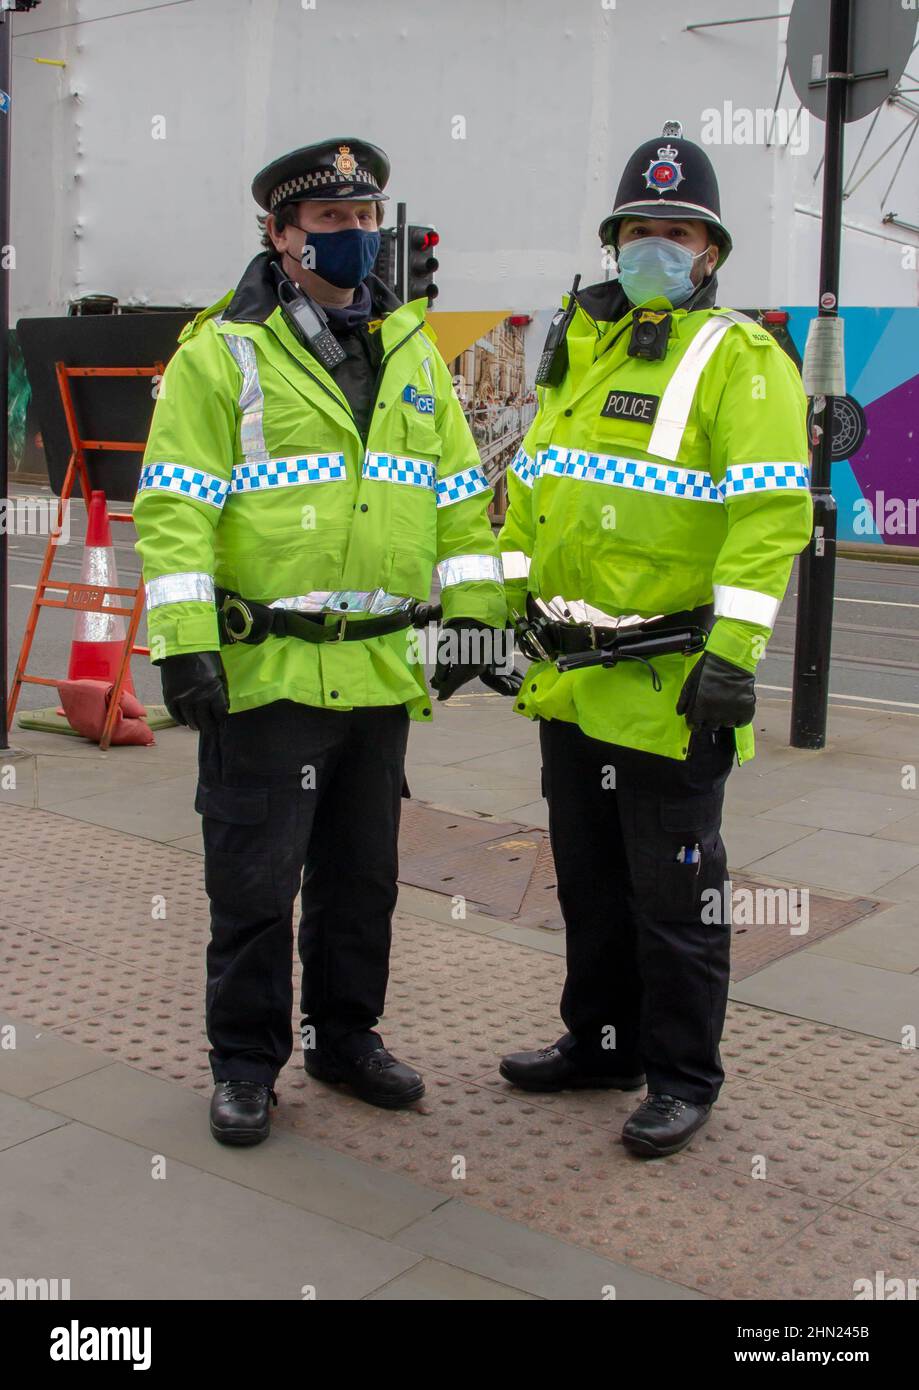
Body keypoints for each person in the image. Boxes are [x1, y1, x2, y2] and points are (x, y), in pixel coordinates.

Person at [133, 138, 506, 1146]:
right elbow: (173, 507)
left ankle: (347, 1038)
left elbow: (462, 498)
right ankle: (245, 1064)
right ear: (280, 237)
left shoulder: (413, 349)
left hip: (380, 667)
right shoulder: (222, 353)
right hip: (270, 667)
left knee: (360, 878)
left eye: (365, 218)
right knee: (254, 879)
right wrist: (184, 640)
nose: (356, 238)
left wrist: (475, 619)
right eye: (332, 224)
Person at [496, 123, 813, 1157]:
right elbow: (532, 497)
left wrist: (733, 656)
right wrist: (500, 619)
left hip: (675, 681)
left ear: (710, 252)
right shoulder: (577, 348)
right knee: (588, 884)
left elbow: (772, 516)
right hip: (572, 679)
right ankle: (598, 1046)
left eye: (679, 232)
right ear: (614, 238)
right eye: (641, 228)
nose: (657, 248)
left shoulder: (741, 359)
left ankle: (681, 1076)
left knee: (675, 894)